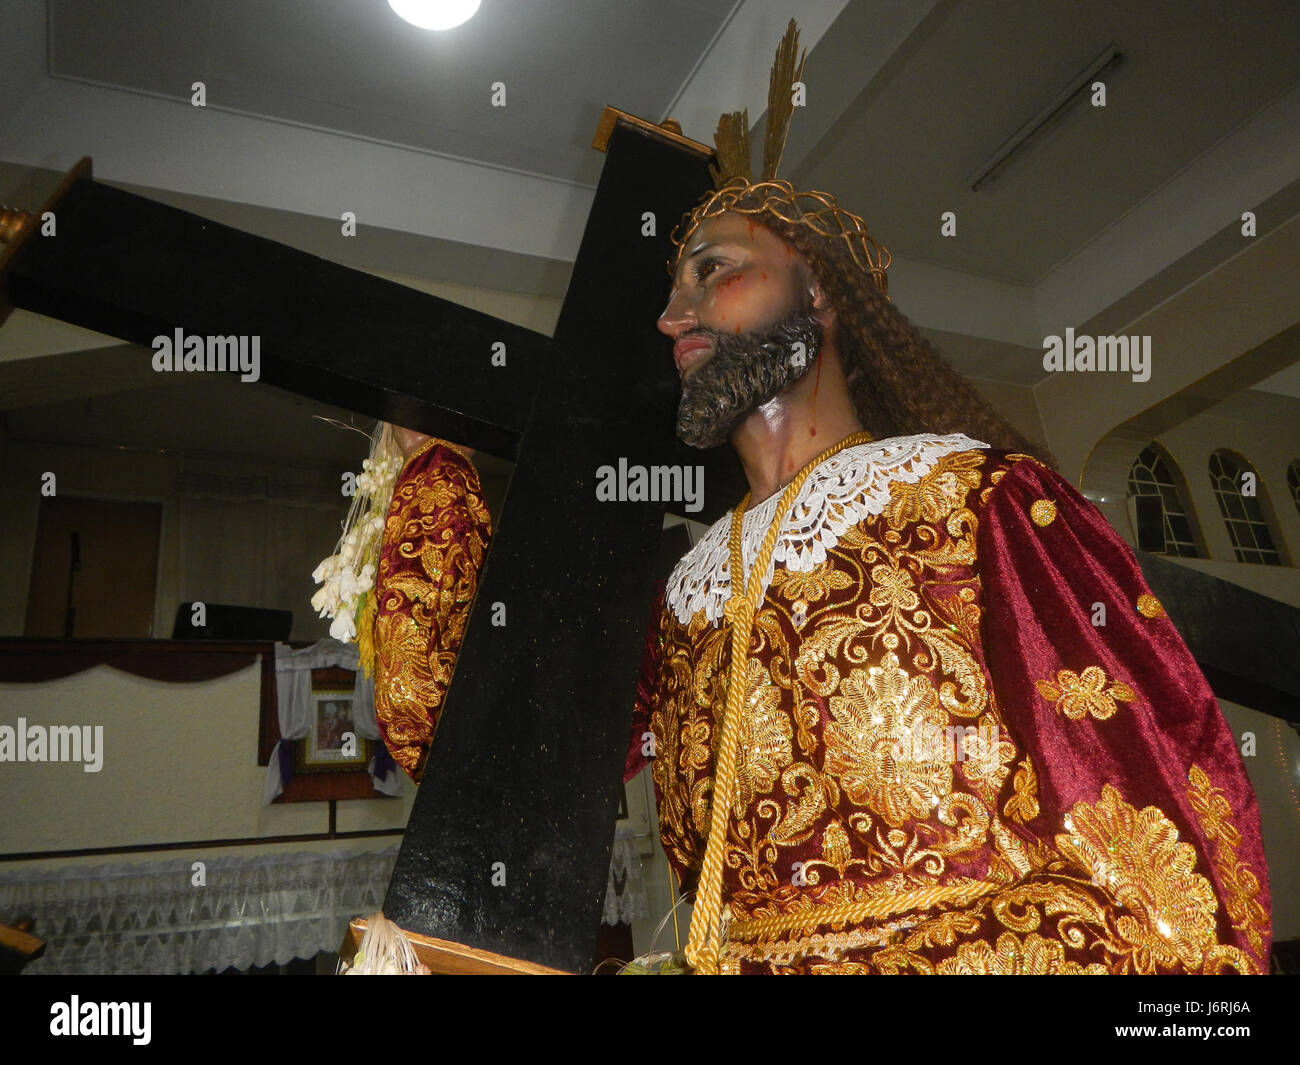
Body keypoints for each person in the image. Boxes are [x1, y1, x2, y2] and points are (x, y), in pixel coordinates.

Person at [625, 24, 1269, 975]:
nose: (672, 313)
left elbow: (1162, 891)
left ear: (823, 294)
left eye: (714, 270)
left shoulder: (983, 507)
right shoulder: (686, 595)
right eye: (676, 284)